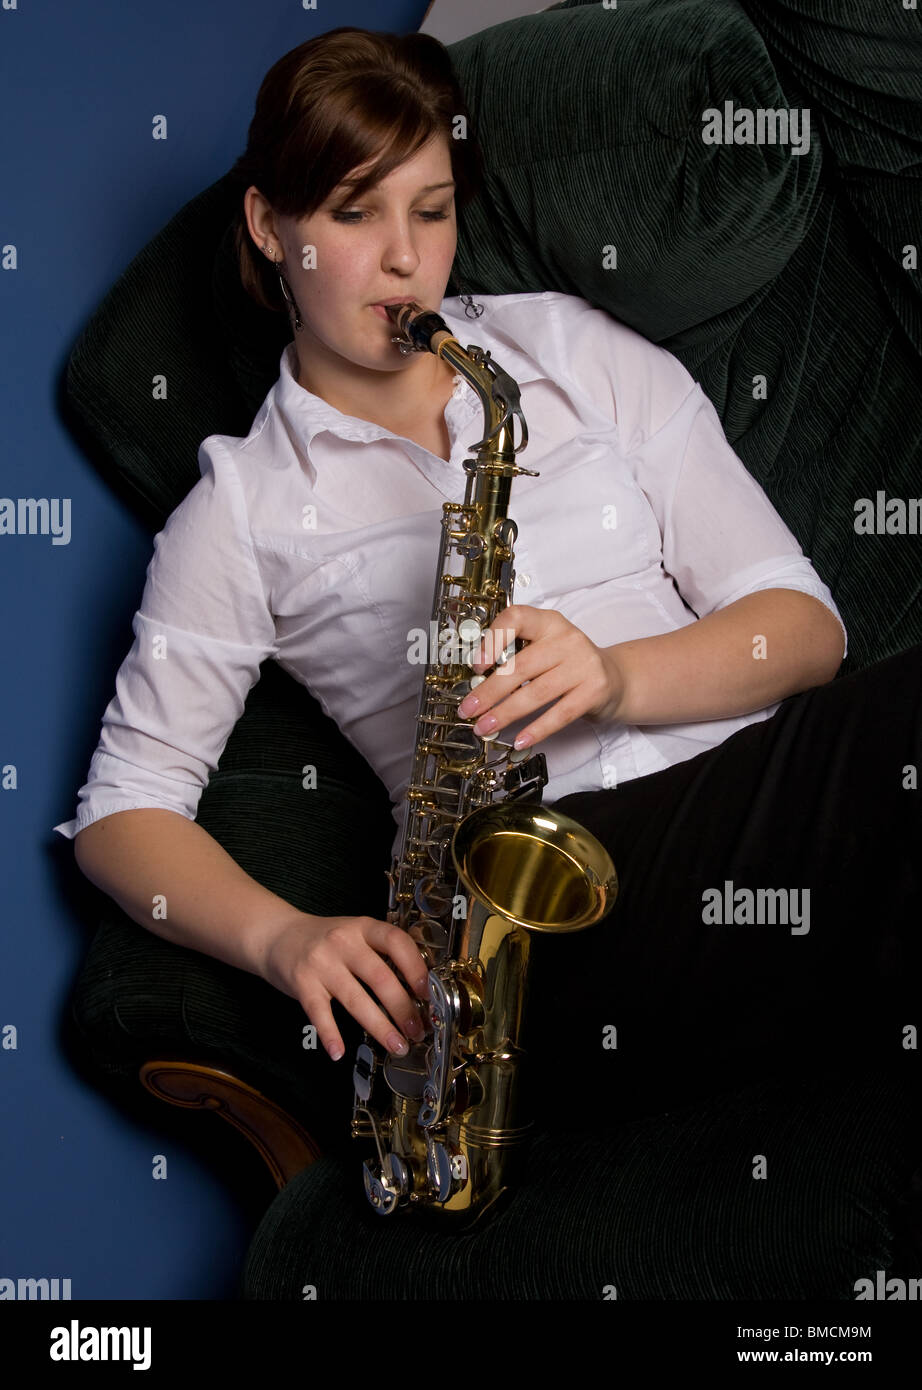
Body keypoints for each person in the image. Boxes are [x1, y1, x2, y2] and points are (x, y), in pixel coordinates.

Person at [55, 27, 920, 1128]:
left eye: (433, 207)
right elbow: (122, 810)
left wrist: (613, 675)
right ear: (272, 226)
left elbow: (804, 629)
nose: (408, 259)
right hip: (546, 933)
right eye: (355, 212)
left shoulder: (563, 348)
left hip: (756, 799)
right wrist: (283, 937)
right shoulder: (237, 510)